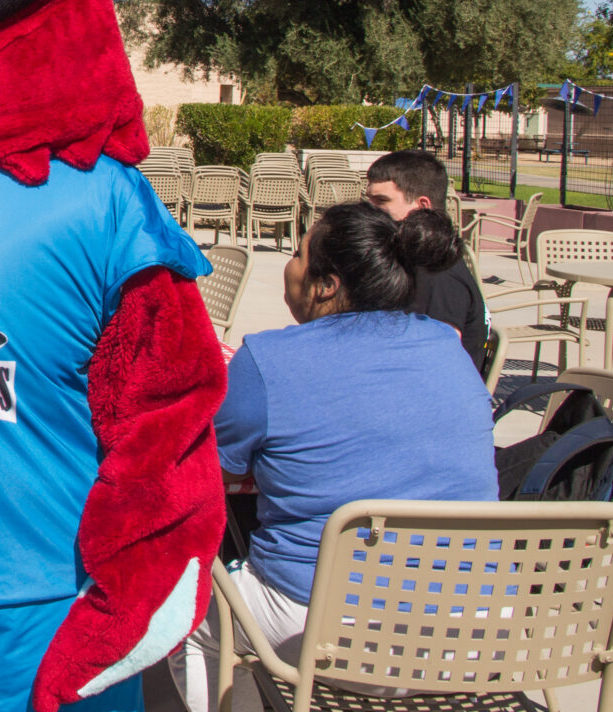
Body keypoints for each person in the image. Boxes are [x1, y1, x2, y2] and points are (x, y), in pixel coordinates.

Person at [169, 202, 499, 712]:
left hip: (334, 627)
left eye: (298, 254)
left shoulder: (268, 360)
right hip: (471, 628)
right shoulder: (448, 346)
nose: (290, 265)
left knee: (182, 619)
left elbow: (208, 467)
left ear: (326, 285)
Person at [365, 149, 489, 365]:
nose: (370, 210)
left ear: (422, 207)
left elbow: (438, 360)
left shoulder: (438, 274)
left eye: (381, 201)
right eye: (369, 201)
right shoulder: (410, 259)